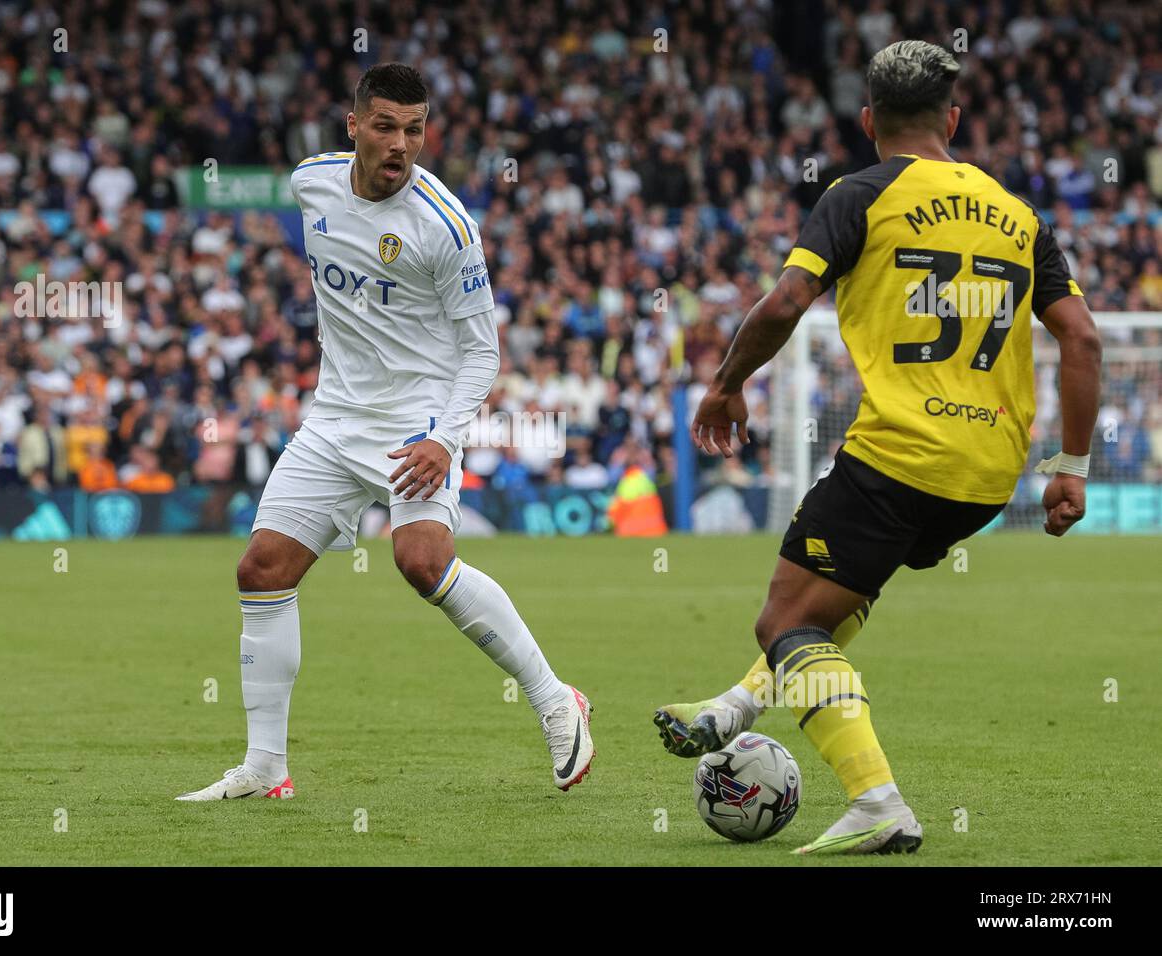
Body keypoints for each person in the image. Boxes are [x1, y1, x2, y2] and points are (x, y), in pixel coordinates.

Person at [654, 41, 1101, 855]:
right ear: (953, 119)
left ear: (868, 122)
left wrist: (725, 384)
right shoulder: (1019, 214)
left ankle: (877, 801)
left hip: (902, 453)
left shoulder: (858, 193)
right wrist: (1070, 466)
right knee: (835, 598)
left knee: (785, 620)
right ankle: (735, 709)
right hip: (989, 474)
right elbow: (1082, 338)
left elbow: (788, 301)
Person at [178, 63, 593, 802]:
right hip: (336, 418)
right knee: (261, 570)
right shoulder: (312, 183)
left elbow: (483, 353)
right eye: (385, 126)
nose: (401, 144)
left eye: (414, 129)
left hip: (417, 421)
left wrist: (444, 437)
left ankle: (556, 699)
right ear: (353, 126)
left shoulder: (446, 226)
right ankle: (266, 767)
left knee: (421, 561)